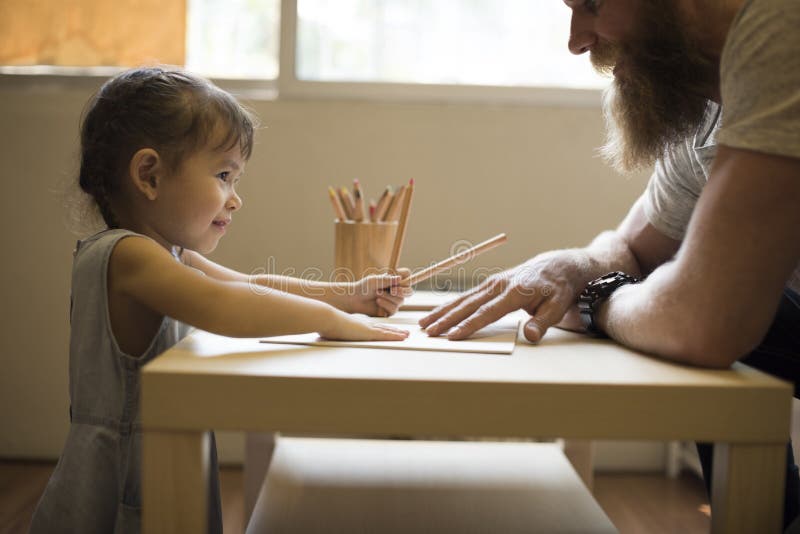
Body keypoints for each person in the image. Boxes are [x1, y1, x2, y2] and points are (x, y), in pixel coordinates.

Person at [421, 0, 800, 528]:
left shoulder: (782, 27)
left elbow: (700, 323)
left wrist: (601, 299)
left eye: (593, 6)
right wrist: (575, 265)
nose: (577, 41)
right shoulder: (707, 110)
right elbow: (634, 249)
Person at [30, 66, 411, 534]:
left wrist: (350, 296)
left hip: (158, 456)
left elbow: (249, 284)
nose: (235, 199)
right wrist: (330, 319)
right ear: (148, 175)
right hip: (123, 474)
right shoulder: (127, 256)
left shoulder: (166, 255)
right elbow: (223, 305)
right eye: (224, 175)